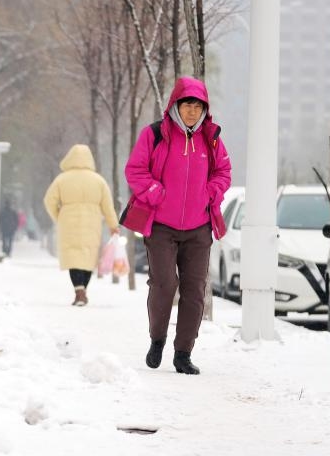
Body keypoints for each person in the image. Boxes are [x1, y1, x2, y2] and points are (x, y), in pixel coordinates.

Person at [124, 77, 231, 375]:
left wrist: (211, 191)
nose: (193, 111)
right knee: (164, 284)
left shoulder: (211, 139)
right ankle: (157, 339)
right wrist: (155, 192)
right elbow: (135, 170)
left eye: (199, 106)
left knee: (195, 290)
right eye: (188, 105)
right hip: (161, 225)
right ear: (175, 106)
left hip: (198, 228)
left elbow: (224, 171)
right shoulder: (155, 135)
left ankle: (183, 353)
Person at [43, 144, 120, 307]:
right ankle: (83, 290)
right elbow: (108, 206)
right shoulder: (98, 181)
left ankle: (79, 291)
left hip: (68, 225)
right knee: (88, 257)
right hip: (92, 225)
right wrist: (113, 225)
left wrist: (59, 217)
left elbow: (49, 201)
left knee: (73, 257)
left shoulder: (62, 179)